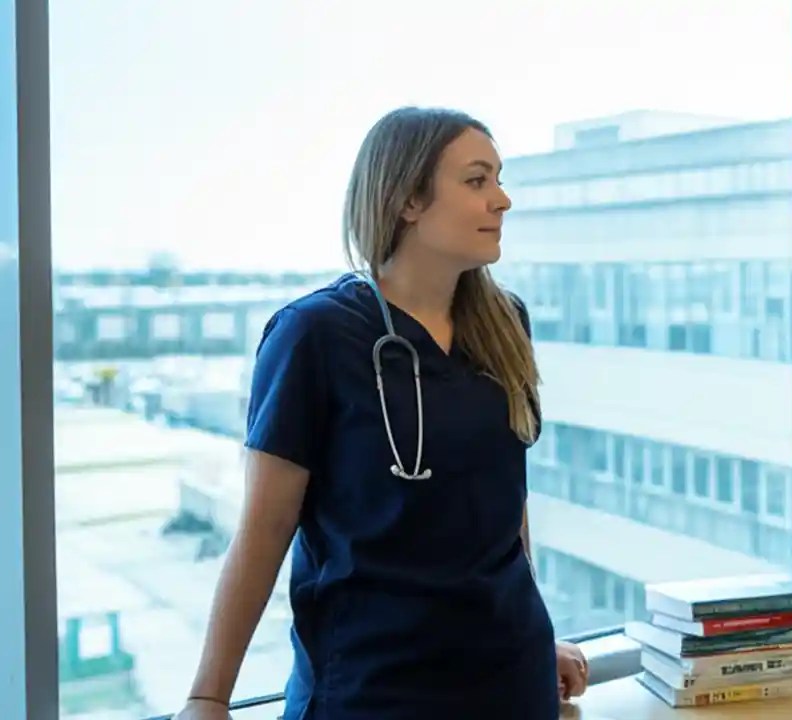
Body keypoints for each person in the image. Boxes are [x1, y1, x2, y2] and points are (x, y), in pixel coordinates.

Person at [175, 107, 589, 720]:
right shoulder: (313, 336)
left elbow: (506, 502)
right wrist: (209, 696)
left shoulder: (506, 325)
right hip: (374, 692)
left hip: (511, 683)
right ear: (408, 200)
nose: (502, 200)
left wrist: (534, 633)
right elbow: (264, 530)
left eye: (499, 180)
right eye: (477, 181)